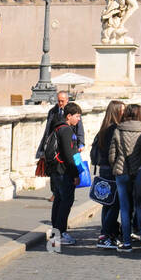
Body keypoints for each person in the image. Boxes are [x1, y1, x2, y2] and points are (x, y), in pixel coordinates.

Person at [109, 103, 141, 251]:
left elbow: (112, 154)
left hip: (121, 171)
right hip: (139, 171)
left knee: (125, 208)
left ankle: (126, 242)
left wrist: (115, 165)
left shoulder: (118, 129)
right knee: (140, 205)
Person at [47, 101, 83, 245]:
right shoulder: (67, 130)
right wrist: (75, 174)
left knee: (58, 201)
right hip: (64, 171)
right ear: (69, 116)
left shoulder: (57, 127)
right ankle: (60, 233)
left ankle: (55, 235)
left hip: (56, 170)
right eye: (77, 116)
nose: (79, 119)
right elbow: (69, 155)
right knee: (65, 202)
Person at [90, 99, 125, 248]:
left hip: (103, 169)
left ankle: (107, 233)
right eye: (123, 110)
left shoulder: (103, 129)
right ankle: (105, 234)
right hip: (111, 169)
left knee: (107, 203)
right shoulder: (114, 129)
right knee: (114, 204)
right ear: (117, 112)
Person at [38, 90, 86, 159]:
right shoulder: (52, 112)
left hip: (69, 143)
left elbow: (79, 128)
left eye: (62, 101)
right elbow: (48, 130)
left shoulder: (73, 110)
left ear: (67, 100)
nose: (60, 103)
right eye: (59, 101)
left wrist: (81, 143)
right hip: (56, 145)